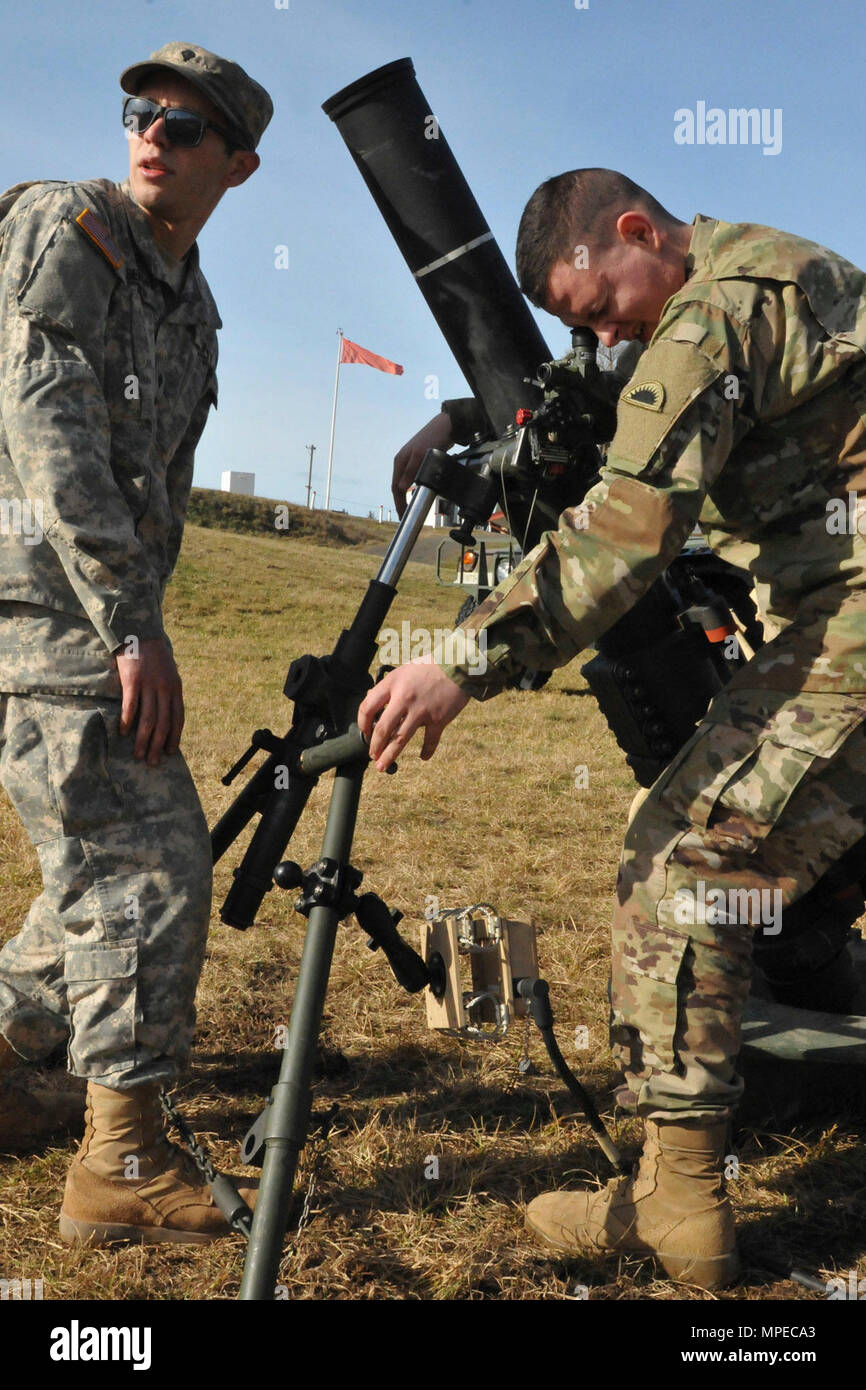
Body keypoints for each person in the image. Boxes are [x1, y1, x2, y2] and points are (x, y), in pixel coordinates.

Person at [359, 167, 866, 1289]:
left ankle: (674, 1203)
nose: (606, 336)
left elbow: (622, 538)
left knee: (683, 860)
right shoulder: (769, 270)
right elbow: (605, 390)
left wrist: (458, 662)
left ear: (635, 232)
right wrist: (464, 411)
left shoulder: (707, 315)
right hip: (830, 611)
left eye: (597, 309)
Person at [0, 42, 271, 1245]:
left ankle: (13, 1060)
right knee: (148, 863)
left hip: (87, 612)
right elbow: (45, 423)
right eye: (140, 111)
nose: (153, 131)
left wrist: (134, 616)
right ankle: (120, 1166)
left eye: (187, 124)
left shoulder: (191, 299)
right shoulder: (75, 228)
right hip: (43, 604)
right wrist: (128, 624)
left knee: (87, 867)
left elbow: (157, 477)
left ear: (240, 165)